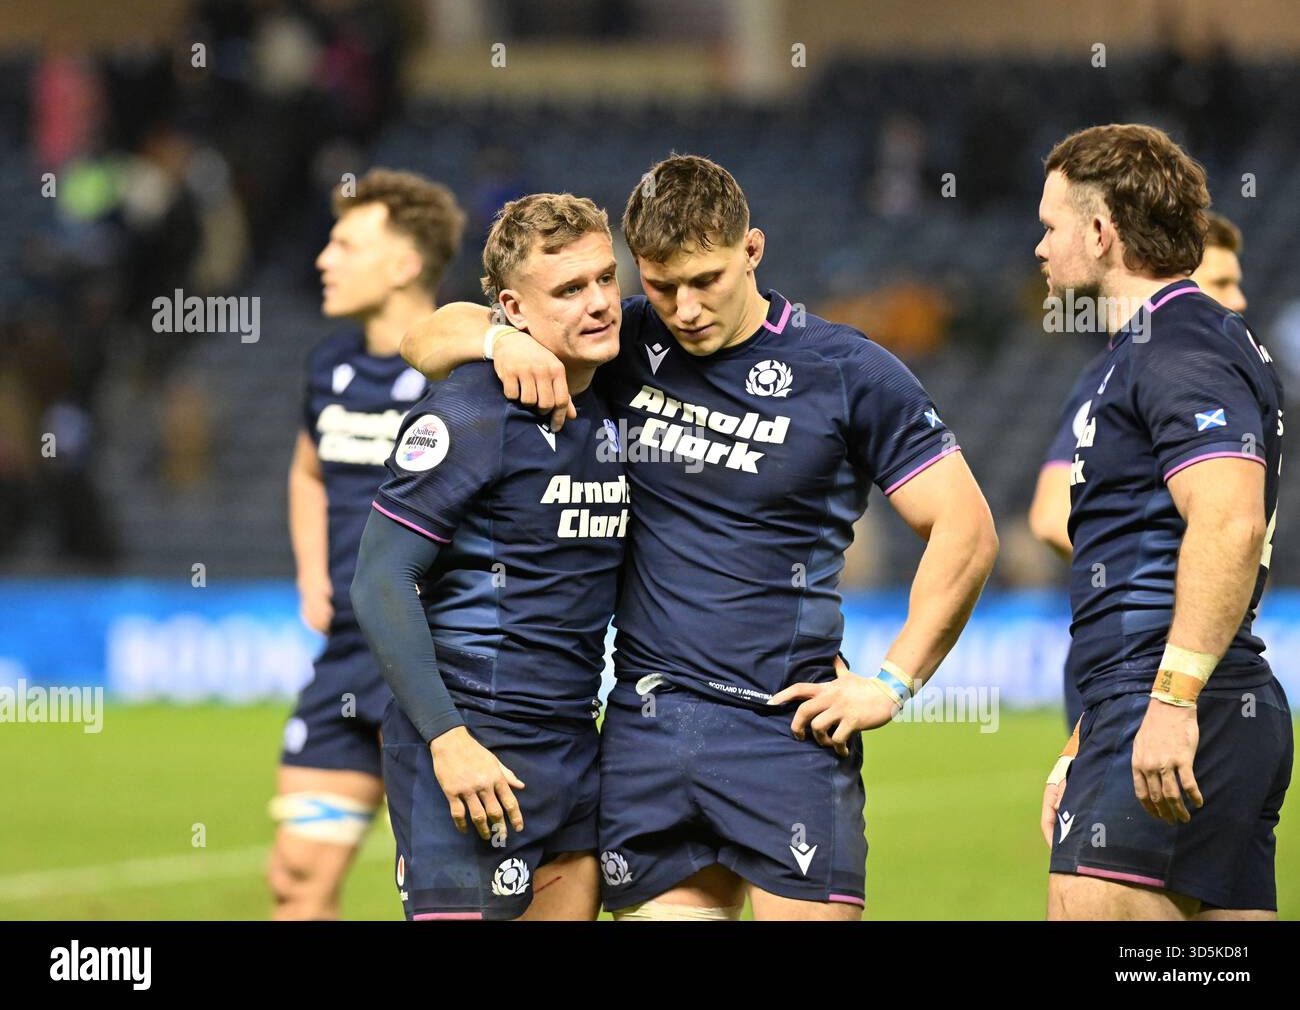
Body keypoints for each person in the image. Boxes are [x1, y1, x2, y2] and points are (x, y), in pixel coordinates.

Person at [400, 154, 998, 920]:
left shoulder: (848, 372)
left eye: (705, 280)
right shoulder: (622, 345)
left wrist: (892, 682)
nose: (683, 309)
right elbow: (425, 336)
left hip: (787, 731)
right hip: (647, 736)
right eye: (659, 285)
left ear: (753, 251)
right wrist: (497, 342)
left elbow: (966, 527)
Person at [1032, 124, 1290, 920]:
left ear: (1101, 233)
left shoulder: (1175, 345)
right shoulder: (1156, 345)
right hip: (1178, 701)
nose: (1039, 249)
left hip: (1174, 707)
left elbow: (1230, 522)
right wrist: (1089, 732)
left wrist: (1170, 704)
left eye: (1050, 226)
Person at [350, 193, 627, 920]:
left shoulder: (616, 396)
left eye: (605, 278)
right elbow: (381, 581)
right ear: (512, 306)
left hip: (573, 748)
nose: (599, 303)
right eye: (569, 290)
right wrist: (448, 740)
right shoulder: (471, 412)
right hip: (473, 748)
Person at [267, 169, 465, 920]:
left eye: (346, 244)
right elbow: (307, 470)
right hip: (347, 657)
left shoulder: (466, 375)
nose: (324, 257)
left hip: (436, 664)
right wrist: (312, 570)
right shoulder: (329, 367)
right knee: (295, 878)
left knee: (443, 897)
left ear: (404, 265)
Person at [1028, 210, 1251, 729]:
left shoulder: (1207, 369)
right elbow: (1050, 514)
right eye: (1222, 282)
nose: (1238, 299)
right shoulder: (1119, 374)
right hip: (1144, 661)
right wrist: (1185, 580)